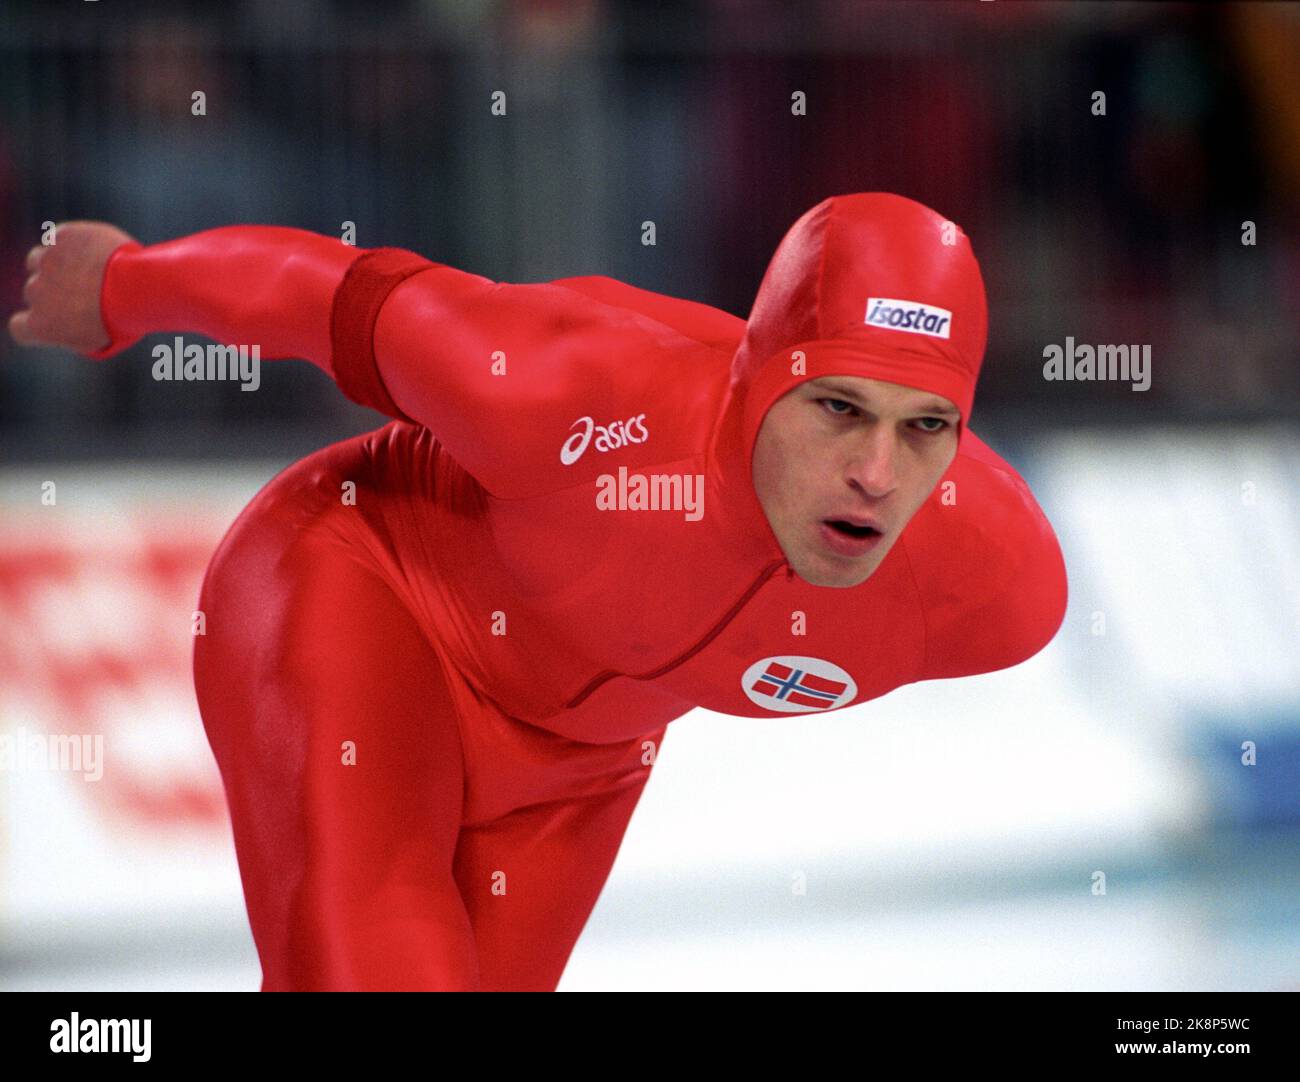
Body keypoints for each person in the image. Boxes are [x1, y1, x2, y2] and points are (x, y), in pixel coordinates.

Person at [8, 193, 1068, 991]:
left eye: (925, 424)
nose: (877, 473)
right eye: (837, 407)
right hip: (369, 596)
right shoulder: (576, 387)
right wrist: (121, 286)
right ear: (755, 378)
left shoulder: (994, 586)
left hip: (579, 762)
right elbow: (320, 291)